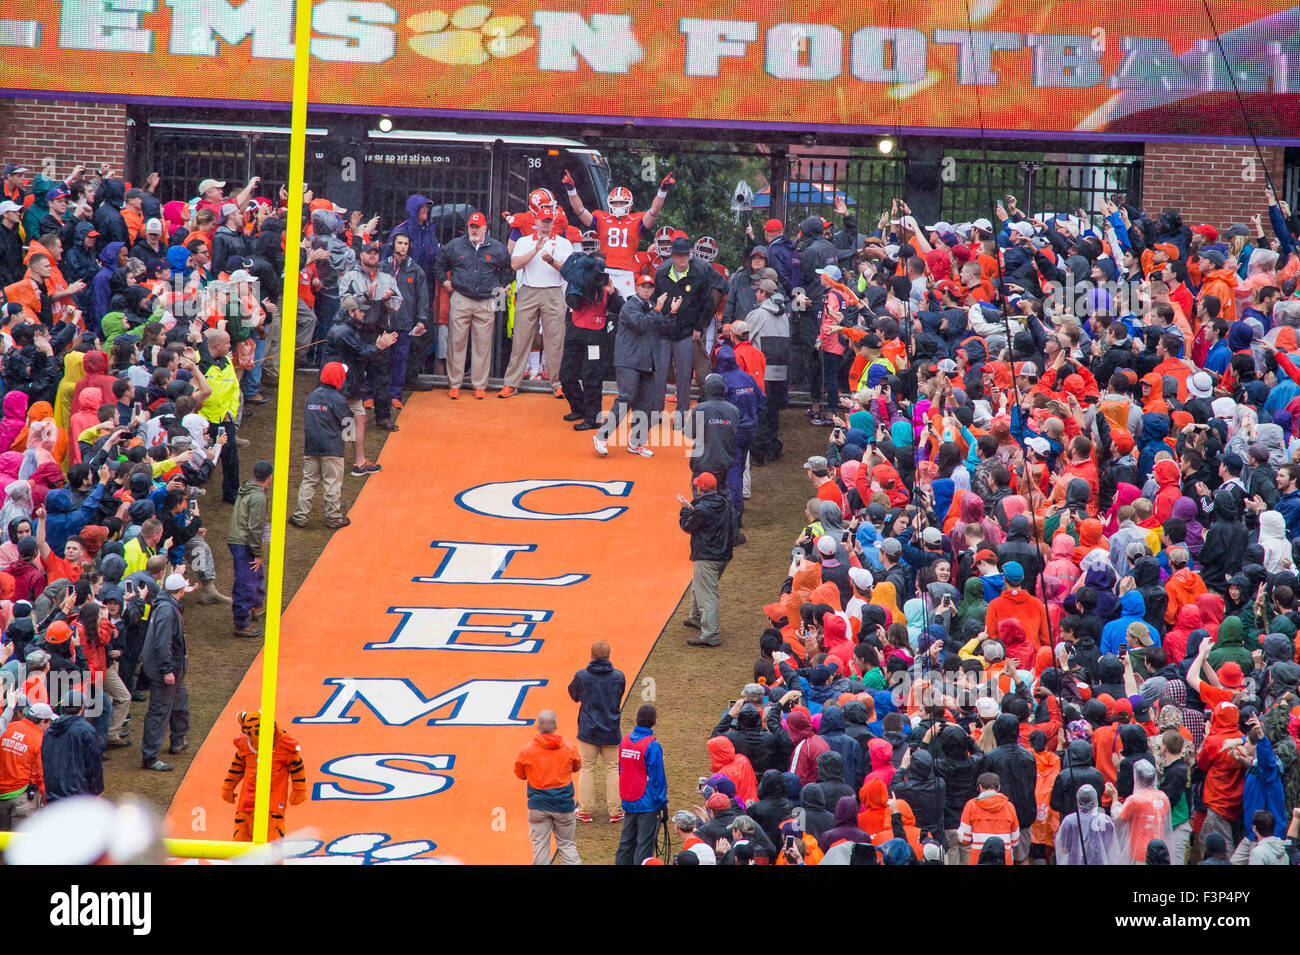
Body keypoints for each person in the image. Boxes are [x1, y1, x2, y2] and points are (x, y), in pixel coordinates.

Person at [500, 190, 572, 398]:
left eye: (549, 221)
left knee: (555, 339)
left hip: (553, 291)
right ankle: (511, 383)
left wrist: (552, 261)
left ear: (553, 222)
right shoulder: (524, 241)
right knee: (521, 337)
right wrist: (535, 250)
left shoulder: (563, 243)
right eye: (543, 221)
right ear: (537, 221)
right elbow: (514, 264)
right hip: (529, 291)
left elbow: (568, 271)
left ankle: (557, 383)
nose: (546, 225)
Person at [595, 275, 673, 457]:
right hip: (628, 361)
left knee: (645, 403)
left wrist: (673, 313)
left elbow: (664, 327)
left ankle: (636, 443)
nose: (646, 290)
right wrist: (659, 308)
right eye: (643, 286)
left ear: (653, 290)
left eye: (649, 287)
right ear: (637, 288)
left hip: (646, 363)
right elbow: (641, 324)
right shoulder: (630, 306)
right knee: (626, 398)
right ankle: (601, 436)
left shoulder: (652, 306)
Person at [437, 212, 511, 399]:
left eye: (478, 227)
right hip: (461, 297)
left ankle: (480, 385)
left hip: (486, 300)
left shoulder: (498, 248)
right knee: (456, 342)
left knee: (483, 343)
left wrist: (501, 287)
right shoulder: (455, 245)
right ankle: (455, 384)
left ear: (485, 227)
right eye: (472, 226)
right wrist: (444, 283)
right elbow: (439, 264)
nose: (474, 230)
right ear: (468, 227)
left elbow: (508, 269)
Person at [325, 295, 399, 476]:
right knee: (339, 424)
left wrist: (376, 346)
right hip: (341, 386)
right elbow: (361, 354)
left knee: (359, 418)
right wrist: (379, 346)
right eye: (360, 311)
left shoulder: (348, 329)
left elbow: (360, 352)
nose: (364, 315)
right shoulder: (344, 332)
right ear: (351, 312)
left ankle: (359, 463)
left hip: (348, 384)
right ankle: (336, 464)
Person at [567, 640, 626, 823]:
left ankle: (584, 810)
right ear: (609, 656)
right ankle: (616, 811)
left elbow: (574, 695)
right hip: (611, 730)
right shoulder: (618, 676)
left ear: (591, 656)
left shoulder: (582, 676)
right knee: (612, 769)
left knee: (587, 769)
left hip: (588, 731)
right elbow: (618, 695)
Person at [513, 708, 582, 865]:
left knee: (540, 847)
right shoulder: (569, 748)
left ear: (537, 726)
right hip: (564, 806)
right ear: (556, 725)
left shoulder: (527, 751)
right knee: (567, 845)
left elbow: (520, 774)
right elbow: (577, 766)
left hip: (538, 806)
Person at [139, 573, 192, 772]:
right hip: (166, 671)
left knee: (180, 702)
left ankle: (178, 740)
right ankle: (150, 757)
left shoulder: (166, 603)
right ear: (180, 591)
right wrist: (167, 670)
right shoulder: (167, 610)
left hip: (173, 669)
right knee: (159, 711)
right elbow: (162, 643)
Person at [291, 362, 352, 530]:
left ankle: (300, 516)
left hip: (311, 446)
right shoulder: (339, 399)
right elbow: (348, 424)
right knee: (332, 483)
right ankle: (333, 518)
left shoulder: (311, 396)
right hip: (332, 448)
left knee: (308, 481)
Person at [679, 472, 734, 648]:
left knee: (707, 594)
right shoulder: (723, 502)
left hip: (708, 555)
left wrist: (685, 510)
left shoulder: (702, 509)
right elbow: (709, 519)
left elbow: (687, 526)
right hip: (723, 553)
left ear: (700, 488)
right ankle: (696, 617)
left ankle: (710, 634)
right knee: (699, 585)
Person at [615, 704, 667, 865]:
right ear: (655, 722)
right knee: (644, 846)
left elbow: (620, 769)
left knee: (626, 843)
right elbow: (658, 778)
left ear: (636, 719)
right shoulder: (652, 745)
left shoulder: (625, 741)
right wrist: (661, 802)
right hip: (647, 803)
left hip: (629, 799)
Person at [228, 460, 272, 639]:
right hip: (244, 542)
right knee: (245, 582)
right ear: (269, 477)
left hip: (238, 539)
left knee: (256, 574)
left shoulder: (247, 489)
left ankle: (257, 605)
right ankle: (242, 623)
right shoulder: (259, 497)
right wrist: (258, 552)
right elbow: (255, 528)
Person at [40, 690, 103, 803]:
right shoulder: (86, 730)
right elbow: (94, 765)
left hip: (53, 793)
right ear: (82, 707)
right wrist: (97, 791)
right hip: (77, 796)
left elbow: (44, 760)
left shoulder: (50, 729)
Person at [0, 699, 52, 827]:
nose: (49, 726)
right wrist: (47, 800)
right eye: (49, 722)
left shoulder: (7, 727)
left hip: (1, 795)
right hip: (22, 799)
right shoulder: (40, 739)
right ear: (42, 721)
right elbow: (41, 774)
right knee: (21, 843)